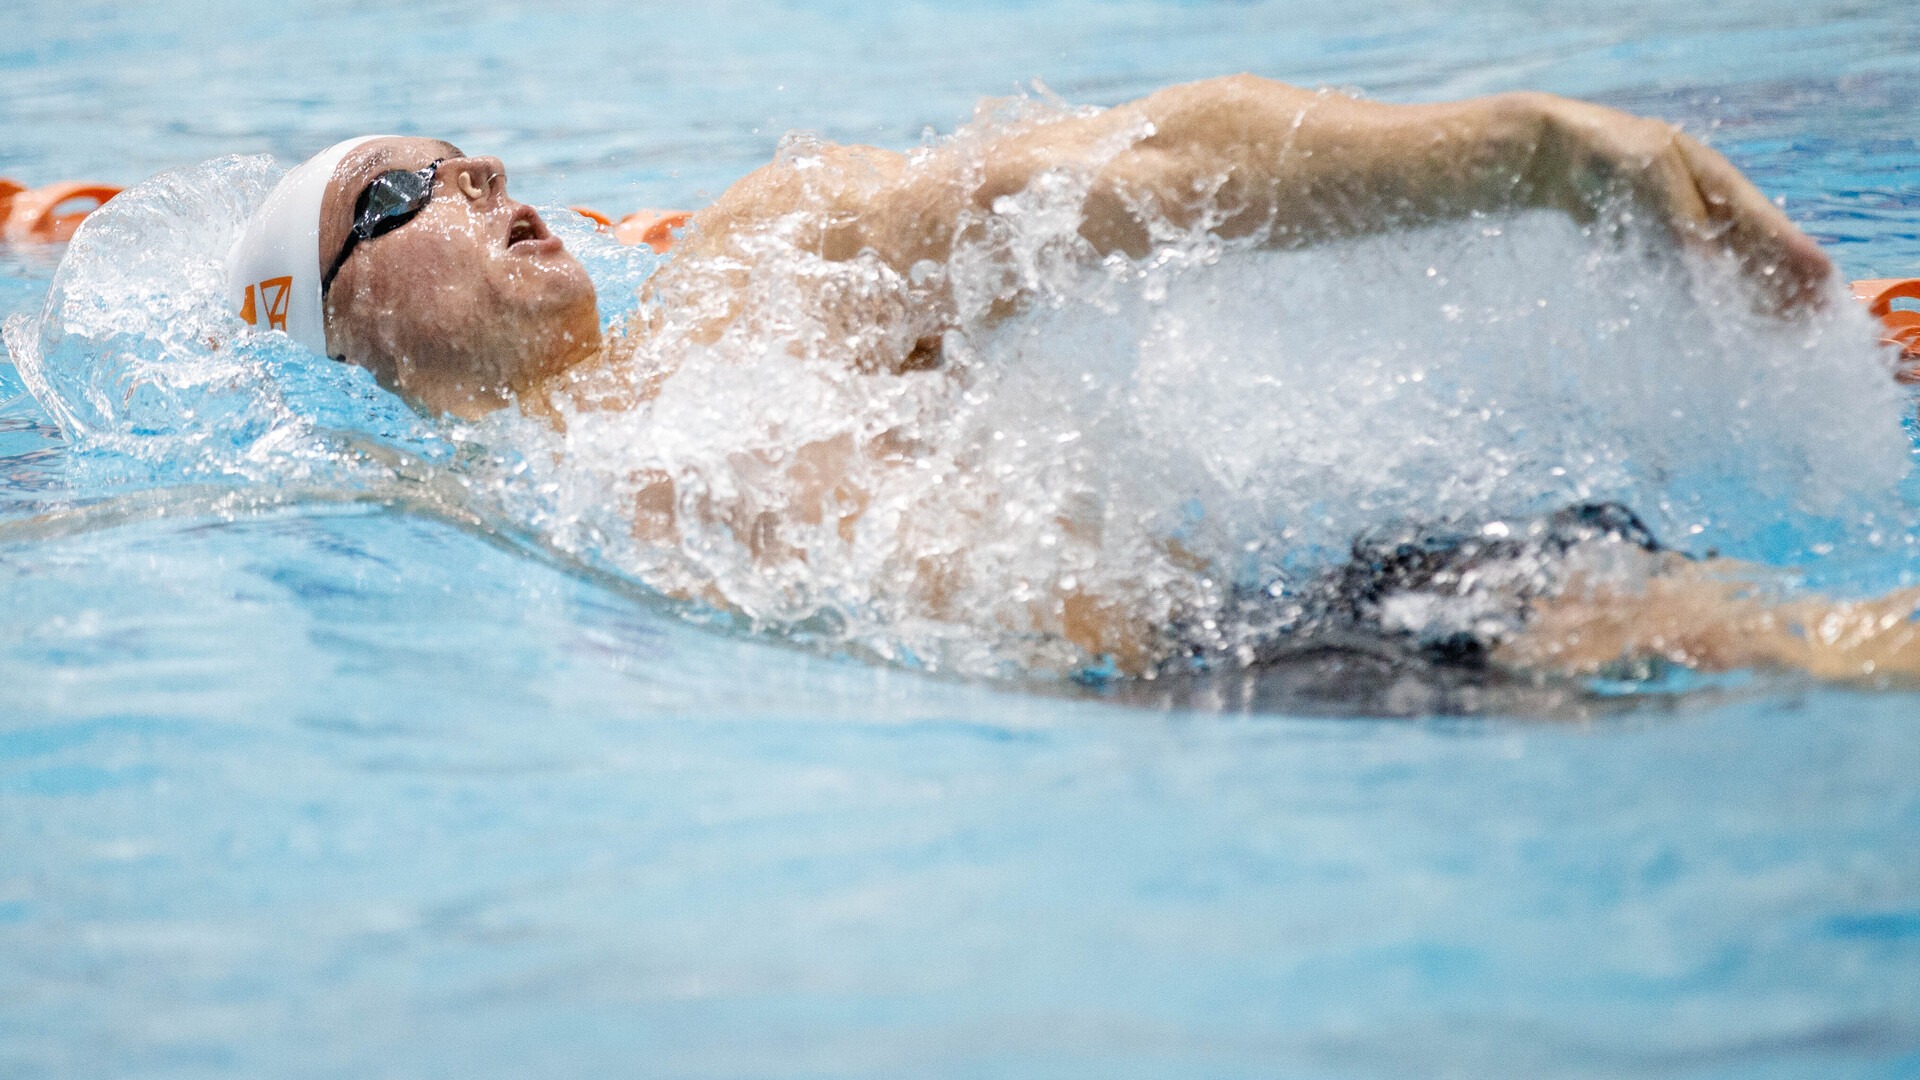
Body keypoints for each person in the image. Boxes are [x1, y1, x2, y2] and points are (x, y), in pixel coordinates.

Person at [225, 74, 1920, 684]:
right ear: (339, 329)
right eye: (404, 194)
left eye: (476, 158)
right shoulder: (408, 504)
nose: (482, 185)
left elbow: (1102, 180)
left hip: (1319, 619)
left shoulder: (752, 276)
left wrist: (1523, 153)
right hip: (1248, 691)